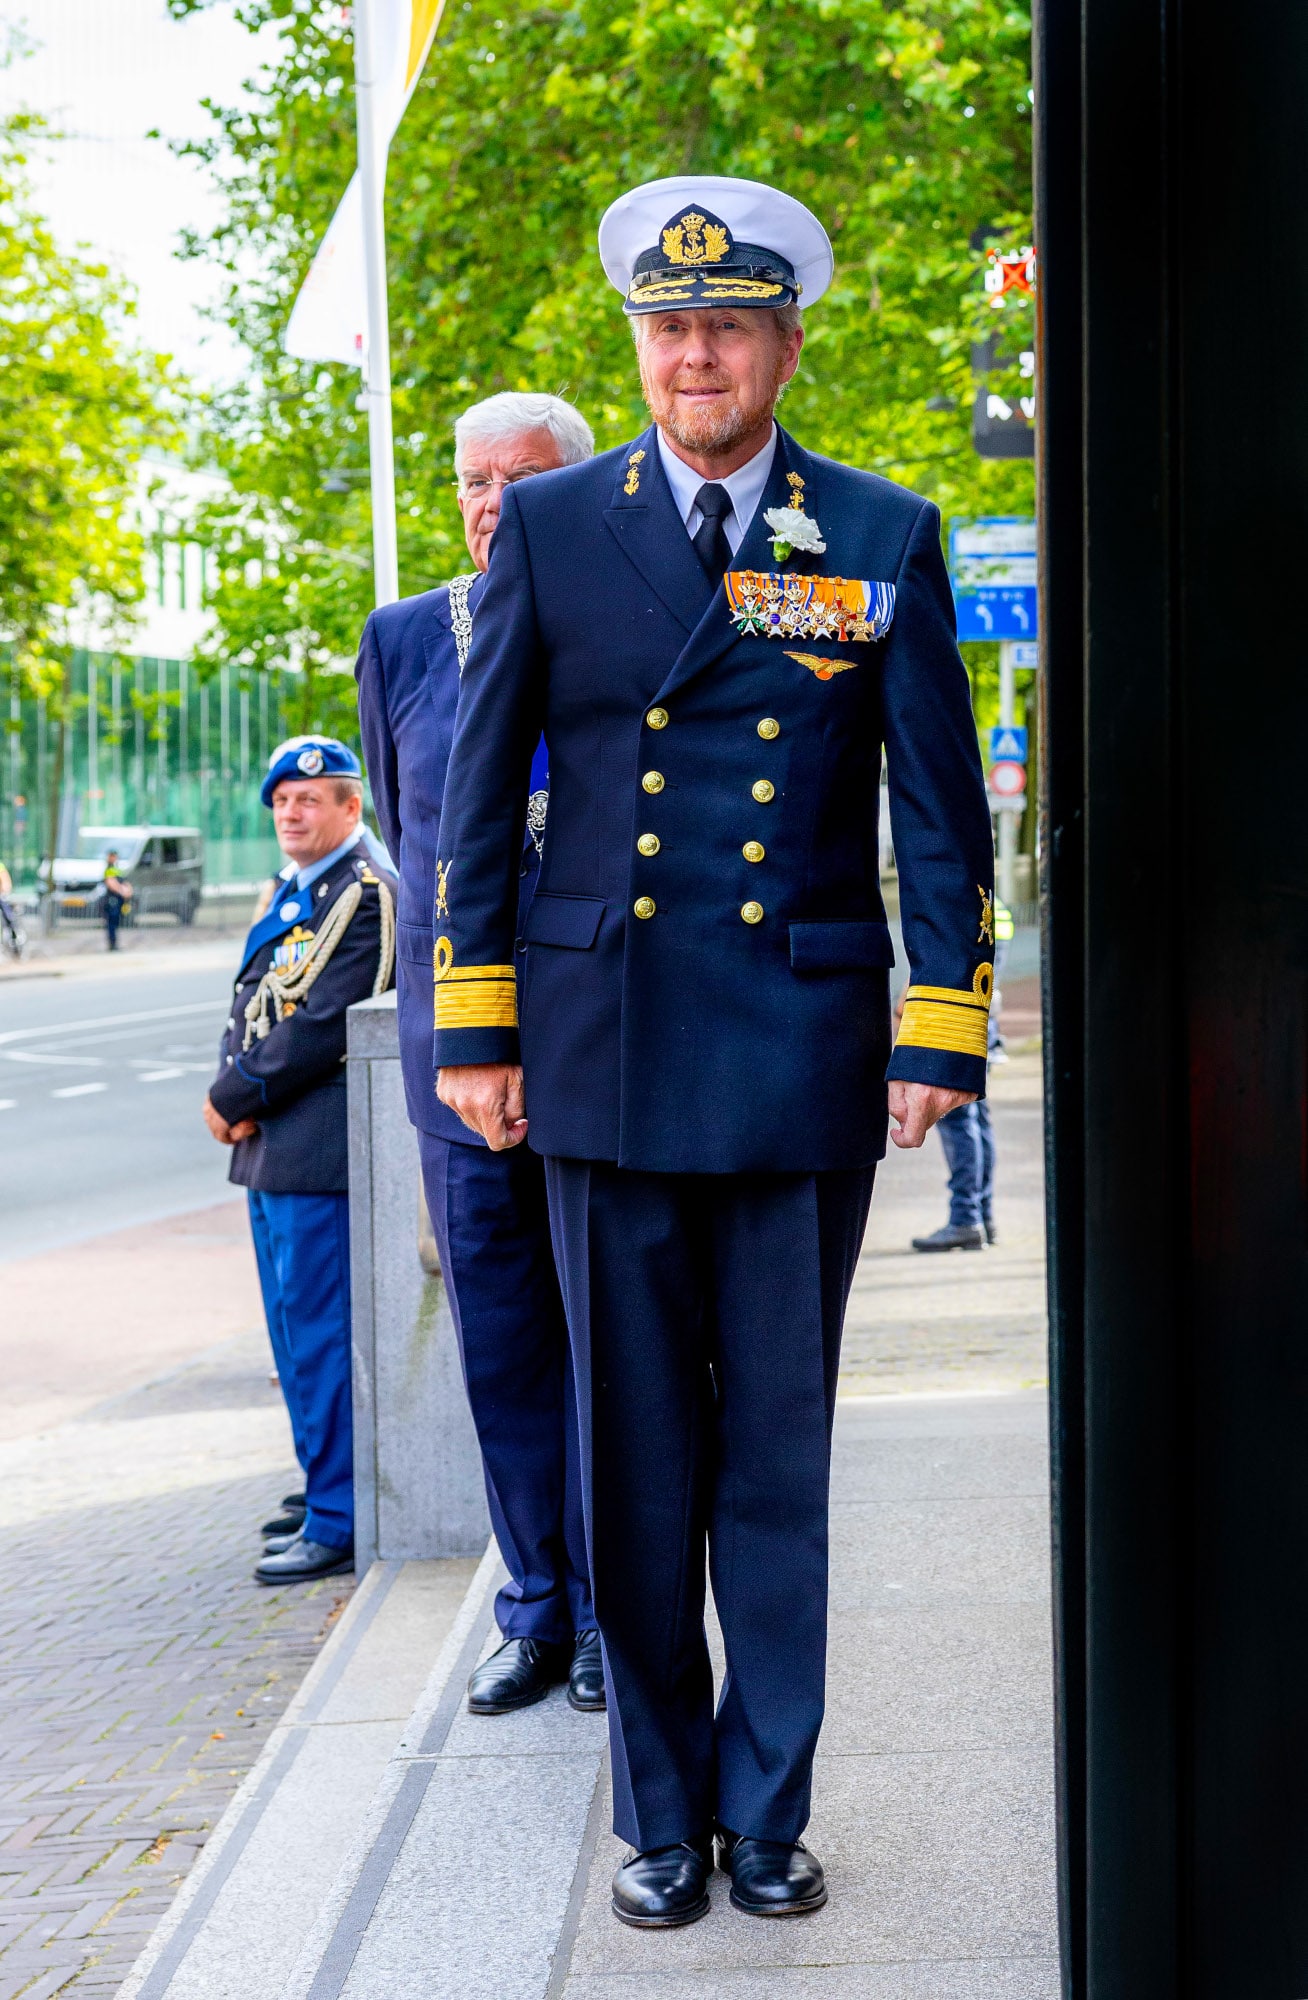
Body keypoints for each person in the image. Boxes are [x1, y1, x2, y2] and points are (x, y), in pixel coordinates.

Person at [432, 175, 996, 1929]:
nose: (693, 357)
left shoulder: (877, 533)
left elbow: (937, 811)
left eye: (726, 327)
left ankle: (767, 1810)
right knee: (633, 1462)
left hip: (796, 1051)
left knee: (771, 1457)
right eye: (666, 330)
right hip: (600, 1048)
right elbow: (477, 792)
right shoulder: (555, 526)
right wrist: (475, 1020)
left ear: (782, 345)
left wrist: (939, 1030)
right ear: (640, 347)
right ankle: (655, 1816)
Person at [355, 391, 604, 1717]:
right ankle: (539, 1606)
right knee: (501, 1348)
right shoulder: (403, 641)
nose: (490, 501)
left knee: (617, 1352)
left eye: (520, 477)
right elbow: (426, 842)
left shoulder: (623, 618)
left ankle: (627, 1617)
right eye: (470, 480)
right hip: (461, 1073)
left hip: (601, 1058)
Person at [203, 735, 397, 1585]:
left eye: (311, 799)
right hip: (275, 1151)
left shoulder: (363, 893)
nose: (291, 811)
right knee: (292, 1341)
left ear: (351, 808)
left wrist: (236, 1093)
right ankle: (323, 1481)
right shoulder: (297, 891)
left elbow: (320, 1027)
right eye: (281, 799)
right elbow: (252, 1001)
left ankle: (340, 1516)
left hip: (317, 1151)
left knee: (321, 1341)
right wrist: (234, 1092)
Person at [911, 892, 1014, 1251]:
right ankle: (981, 1217)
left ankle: (966, 1218)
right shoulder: (988, 898)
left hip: (955, 1015)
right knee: (976, 1117)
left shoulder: (952, 885)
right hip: (976, 1014)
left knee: (958, 1117)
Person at [102, 849, 131, 951]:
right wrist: (122, 892)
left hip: (118, 899)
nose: (113, 858)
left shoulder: (116, 869)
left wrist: (128, 890)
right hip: (112, 900)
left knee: (115, 922)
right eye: (111, 856)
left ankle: (114, 943)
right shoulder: (109, 869)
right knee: (111, 923)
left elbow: (123, 881)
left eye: (114, 856)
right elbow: (111, 883)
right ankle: (112, 944)